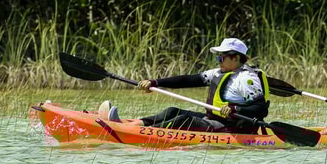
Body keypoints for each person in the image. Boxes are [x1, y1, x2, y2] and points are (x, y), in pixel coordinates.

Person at [97, 37, 269, 131]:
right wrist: (155, 82)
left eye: (221, 57)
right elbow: (188, 80)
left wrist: (236, 110)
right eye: (218, 57)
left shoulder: (246, 79)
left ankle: (135, 132)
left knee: (184, 120)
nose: (218, 61)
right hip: (213, 119)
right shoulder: (218, 73)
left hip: (229, 127)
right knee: (173, 111)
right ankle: (131, 125)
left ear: (236, 58)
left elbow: (261, 108)